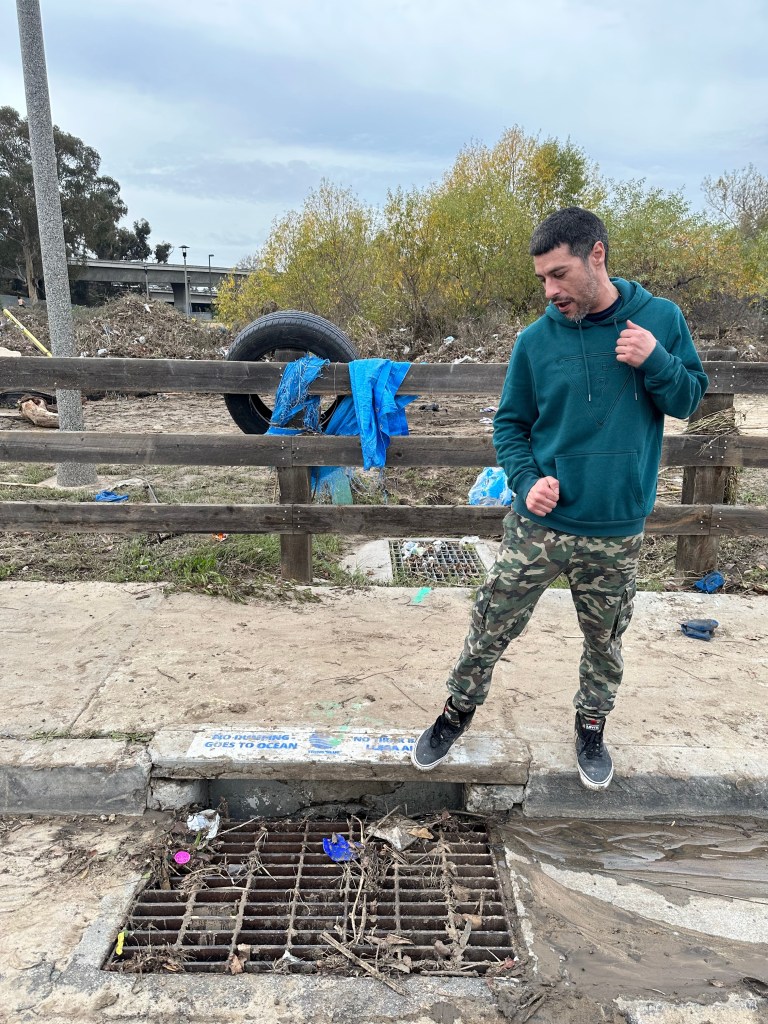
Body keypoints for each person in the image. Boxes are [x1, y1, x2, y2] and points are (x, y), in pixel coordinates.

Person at [411, 207, 708, 790]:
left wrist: (658, 361)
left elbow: (688, 400)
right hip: (538, 525)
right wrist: (525, 480)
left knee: (605, 638)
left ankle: (591, 727)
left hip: (616, 524)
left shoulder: (661, 321)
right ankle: (455, 712)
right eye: (542, 279)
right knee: (492, 618)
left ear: (596, 254)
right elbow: (509, 425)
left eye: (560, 274)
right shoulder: (536, 340)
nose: (551, 291)